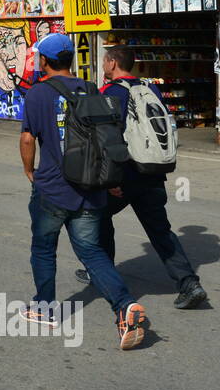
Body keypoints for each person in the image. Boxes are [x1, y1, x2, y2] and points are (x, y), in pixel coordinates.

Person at [19, 32, 148, 350]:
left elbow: (27, 138)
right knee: (92, 253)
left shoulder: (37, 94)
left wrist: (28, 170)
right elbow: (108, 135)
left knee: (44, 248)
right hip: (90, 186)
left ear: (45, 61)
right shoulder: (91, 88)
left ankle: (44, 309)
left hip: (51, 187)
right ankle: (124, 306)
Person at [75, 46, 209, 310]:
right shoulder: (151, 89)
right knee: (160, 230)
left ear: (113, 63)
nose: (103, 65)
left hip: (126, 174)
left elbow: (108, 139)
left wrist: (110, 181)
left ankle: (102, 274)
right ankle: (189, 283)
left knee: (99, 216)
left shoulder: (113, 93)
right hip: (152, 172)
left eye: (105, 61)